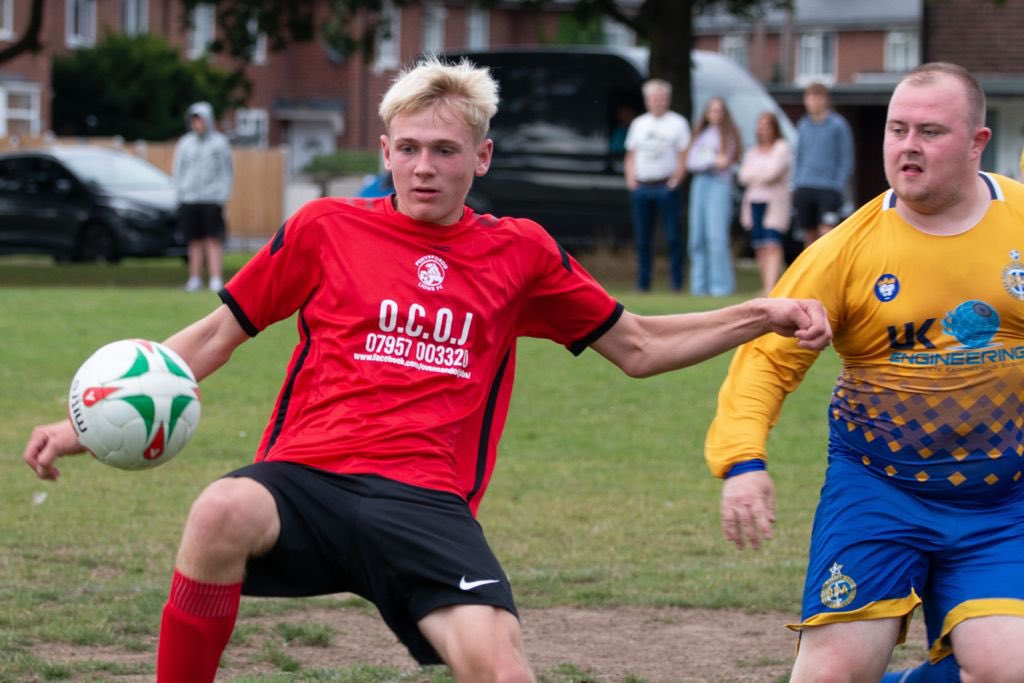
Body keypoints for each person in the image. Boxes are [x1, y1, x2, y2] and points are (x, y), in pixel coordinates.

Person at [23, 57, 831, 683]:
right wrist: (83, 424)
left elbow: (641, 346)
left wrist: (760, 312)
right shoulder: (326, 227)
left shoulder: (521, 251)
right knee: (219, 508)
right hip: (304, 479)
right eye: (407, 149)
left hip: (424, 502)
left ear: (481, 156)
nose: (423, 167)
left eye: (444, 150)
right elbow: (213, 336)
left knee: (501, 665)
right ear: (384, 150)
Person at [705, 62, 1024, 682]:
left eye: (930, 132)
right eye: (897, 129)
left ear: (977, 142)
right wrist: (743, 462)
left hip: (1003, 501)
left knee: (1007, 670)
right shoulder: (843, 251)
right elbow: (767, 360)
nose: (908, 146)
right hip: (879, 490)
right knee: (830, 675)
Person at [623, 78, 691, 292]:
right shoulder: (639, 124)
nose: (657, 102)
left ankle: (676, 283)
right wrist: (631, 179)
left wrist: (675, 181)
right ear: (647, 100)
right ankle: (643, 284)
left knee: (672, 237)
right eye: (653, 98)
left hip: (666, 187)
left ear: (667, 100)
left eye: (661, 98)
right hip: (642, 187)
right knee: (643, 239)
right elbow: (630, 155)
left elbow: (683, 155)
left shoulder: (678, 123)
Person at [173, 101, 234, 293]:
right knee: (194, 240)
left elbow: (227, 171)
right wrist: (180, 193)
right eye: (194, 120)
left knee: (212, 239)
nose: (197, 124)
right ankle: (194, 279)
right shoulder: (185, 143)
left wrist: (222, 195)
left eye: (200, 120)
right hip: (189, 198)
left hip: (211, 198)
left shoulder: (219, 143)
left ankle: (215, 278)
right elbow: (178, 170)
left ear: (208, 120)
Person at [685, 96, 742, 297]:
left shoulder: (729, 136)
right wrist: (711, 159)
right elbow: (691, 162)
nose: (715, 114)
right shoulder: (700, 135)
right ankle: (699, 289)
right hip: (700, 184)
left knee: (716, 238)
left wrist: (707, 160)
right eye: (712, 110)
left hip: (719, 185)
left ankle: (721, 288)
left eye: (719, 110)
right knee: (697, 238)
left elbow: (725, 162)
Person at [792, 82, 853, 250]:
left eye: (817, 97)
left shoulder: (838, 125)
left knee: (827, 235)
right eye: (810, 97)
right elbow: (798, 157)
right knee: (809, 236)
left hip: (828, 188)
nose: (813, 101)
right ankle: (812, 275)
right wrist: (796, 183)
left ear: (826, 100)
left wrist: (837, 185)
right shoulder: (803, 125)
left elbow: (846, 158)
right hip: (805, 186)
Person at [738, 111, 793, 295]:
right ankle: (767, 285)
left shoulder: (782, 148)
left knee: (772, 244)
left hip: (774, 204)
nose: (763, 130)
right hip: (754, 202)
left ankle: (772, 287)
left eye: (766, 126)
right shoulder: (753, 151)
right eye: (760, 126)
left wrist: (756, 175)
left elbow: (773, 173)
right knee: (760, 245)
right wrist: (759, 176)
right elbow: (743, 175)